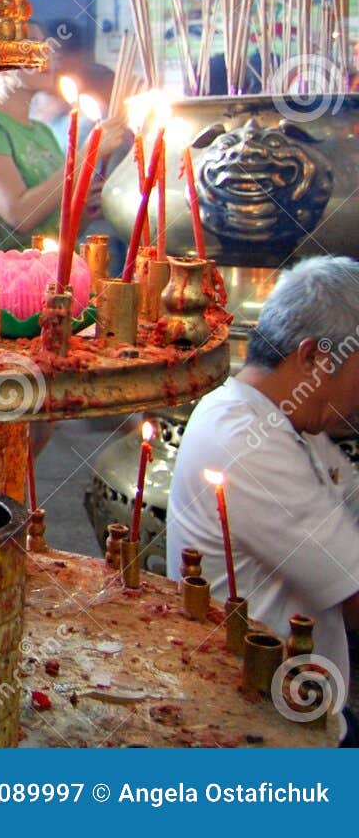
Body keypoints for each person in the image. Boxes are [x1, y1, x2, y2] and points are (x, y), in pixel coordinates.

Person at [167, 257, 359, 741]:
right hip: (259, 728)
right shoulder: (245, 438)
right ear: (315, 358)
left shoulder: (286, 418)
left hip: (302, 703)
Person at [0, 64, 122, 252]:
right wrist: (87, 155)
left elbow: (57, 230)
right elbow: (20, 216)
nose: (46, 57)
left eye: (44, 47)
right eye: (31, 46)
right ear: (1, 66)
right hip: (16, 274)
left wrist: (87, 208)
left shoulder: (42, 131)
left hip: (56, 271)